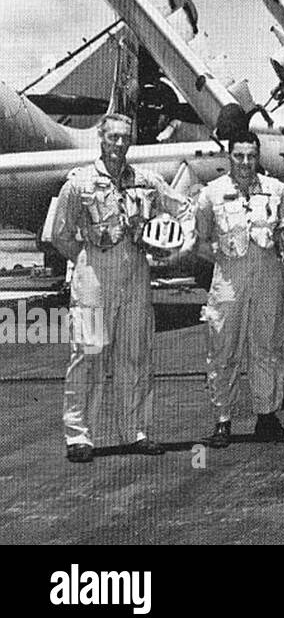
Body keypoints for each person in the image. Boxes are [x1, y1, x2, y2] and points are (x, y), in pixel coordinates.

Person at [49, 113, 195, 462]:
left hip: (136, 277)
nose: (119, 144)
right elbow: (60, 234)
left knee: (135, 354)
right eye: (112, 137)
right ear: (101, 138)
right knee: (89, 354)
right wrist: (88, 262)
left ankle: (134, 431)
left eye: (124, 137)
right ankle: (79, 436)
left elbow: (185, 209)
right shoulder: (79, 183)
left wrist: (178, 250)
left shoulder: (146, 181)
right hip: (94, 278)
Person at [195, 128, 284, 447]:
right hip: (228, 282)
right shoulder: (211, 193)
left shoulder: (276, 190)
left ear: (258, 157)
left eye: (251, 156)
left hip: (268, 277)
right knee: (223, 350)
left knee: (268, 348)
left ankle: (266, 417)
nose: (245, 162)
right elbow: (198, 239)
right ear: (229, 157)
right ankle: (223, 420)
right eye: (239, 156)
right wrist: (219, 258)